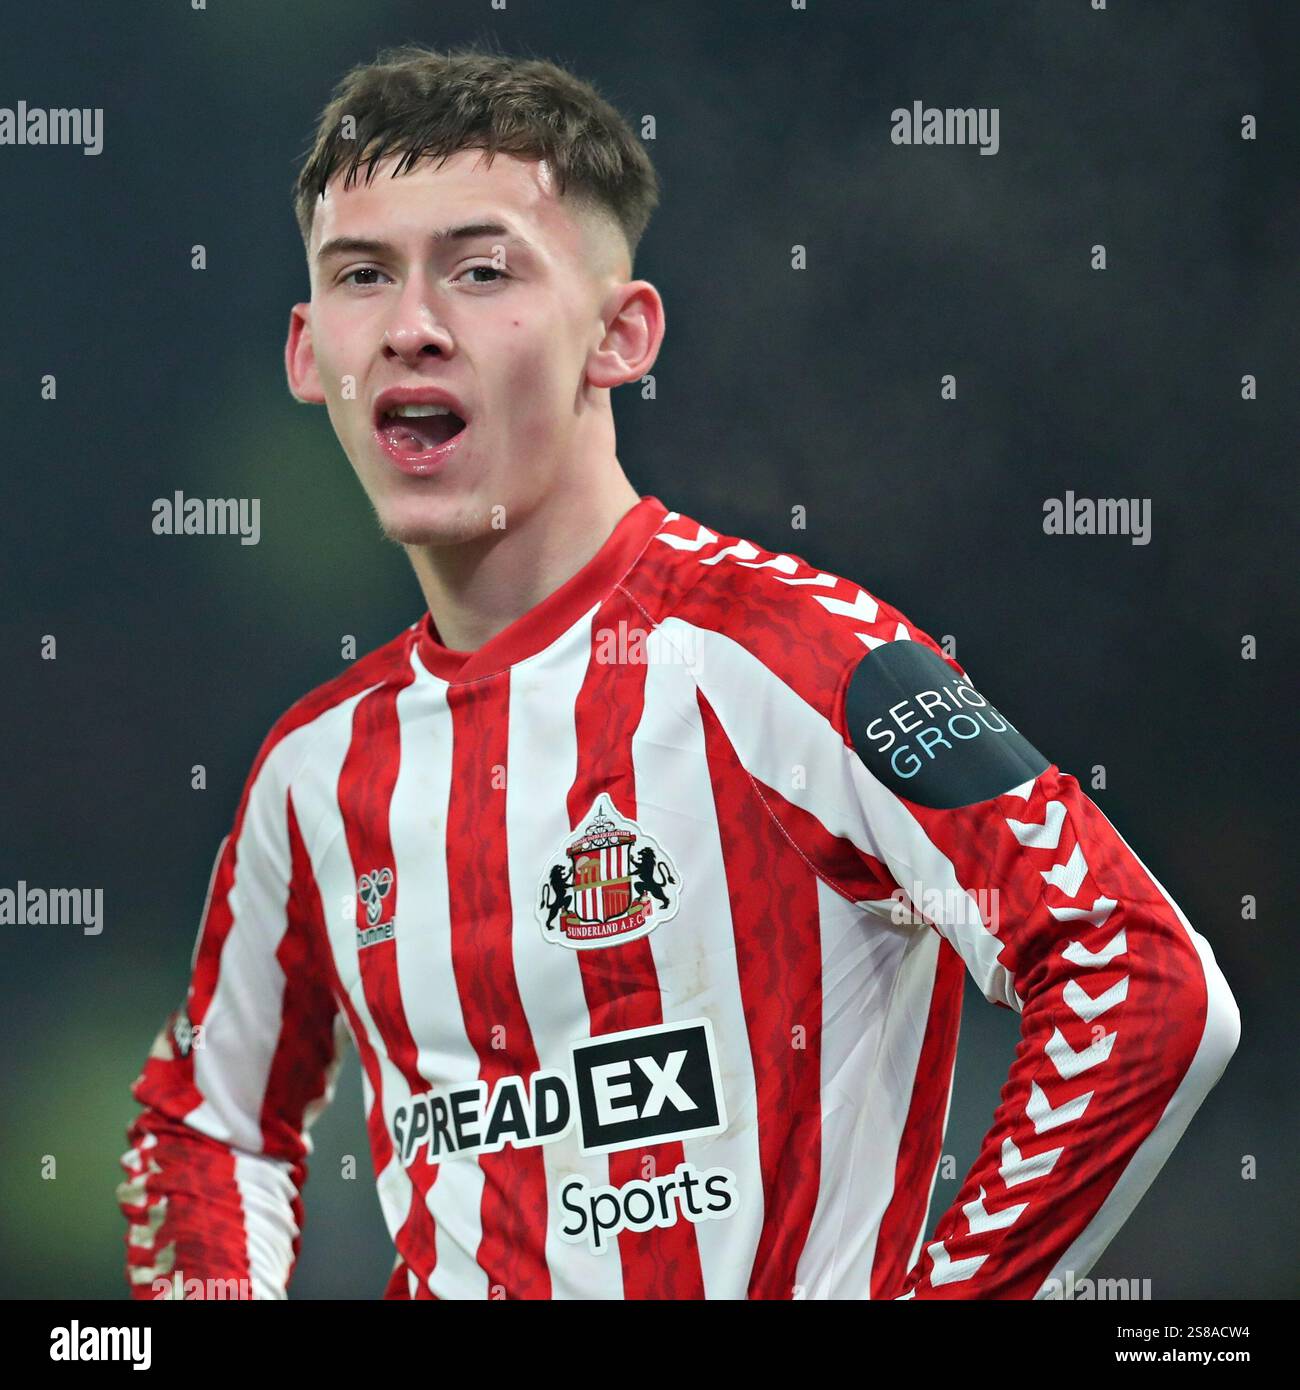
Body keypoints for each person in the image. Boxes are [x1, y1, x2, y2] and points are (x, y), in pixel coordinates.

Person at [117, 43, 1240, 1301]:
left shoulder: (788, 654)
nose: (412, 326)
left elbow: (1142, 981)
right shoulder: (312, 770)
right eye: (361, 277)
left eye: (481, 272)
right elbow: (203, 1125)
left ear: (620, 333)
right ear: (304, 348)